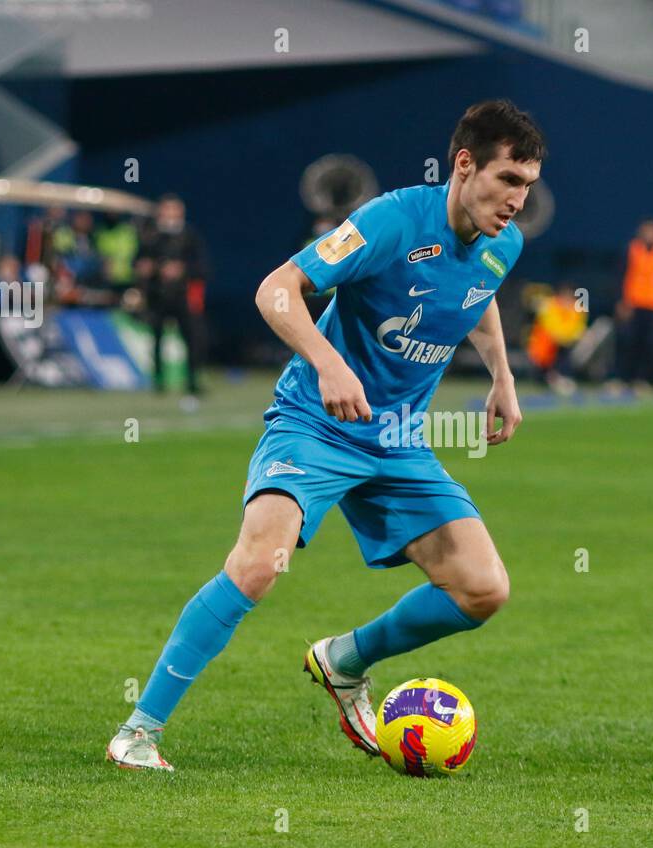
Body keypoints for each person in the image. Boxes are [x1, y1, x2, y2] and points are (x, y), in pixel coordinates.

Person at [106, 99, 545, 771]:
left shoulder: (503, 244)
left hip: (397, 439)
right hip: (316, 423)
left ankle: (345, 661)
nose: (517, 200)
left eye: (527, 186)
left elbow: (474, 296)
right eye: (508, 180)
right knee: (257, 565)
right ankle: (139, 732)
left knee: (484, 588)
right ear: (464, 165)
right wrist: (329, 361)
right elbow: (276, 289)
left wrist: (502, 375)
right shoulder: (391, 220)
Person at [135, 195, 207, 407]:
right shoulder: (151, 236)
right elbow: (139, 262)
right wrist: (149, 269)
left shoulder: (189, 236)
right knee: (156, 337)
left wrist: (181, 270)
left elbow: (202, 266)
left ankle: (192, 381)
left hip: (183, 296)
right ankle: (158, 381)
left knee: (191, 338)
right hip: (158, 296)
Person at [613, 218, 653, 393]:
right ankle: (622, 378)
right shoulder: (632, 249)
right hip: (633, 304)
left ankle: (642, 379)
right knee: (628, 342)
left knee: (650, 345)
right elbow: (620, 276)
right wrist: (621, 301)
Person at [527, 282, 586, 395]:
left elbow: (577, 329)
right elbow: (552, 329)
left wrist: (568, 336)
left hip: (564, 345)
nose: (566, 300)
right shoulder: (549, 306)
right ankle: (554, 377)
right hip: (543, 351)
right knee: (556, 344)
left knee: (570, 344)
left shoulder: (577, 308)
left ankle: (562, 377)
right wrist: (566, 336)